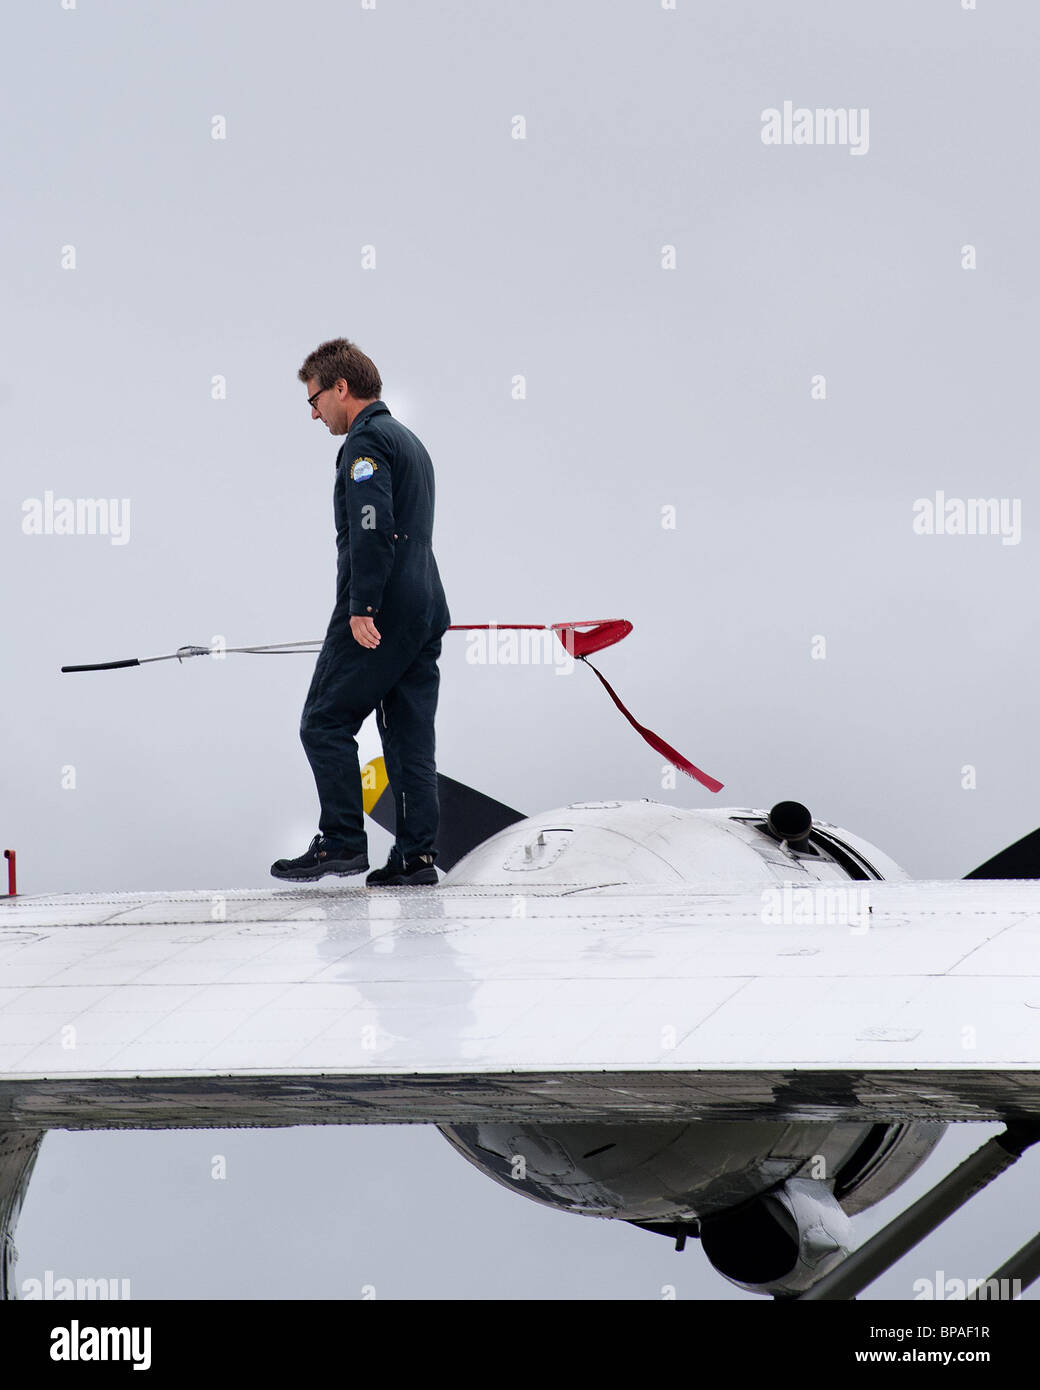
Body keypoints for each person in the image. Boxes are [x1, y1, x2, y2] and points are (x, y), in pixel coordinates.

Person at [271, 338, 450, 887]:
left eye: (314, 399)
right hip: (425, 604)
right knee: (407, 733)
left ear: (341, 388)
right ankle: (415, 857)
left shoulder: (366, 443)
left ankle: (343, 841)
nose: (313, 412)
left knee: (324, 720)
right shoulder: (409, 440)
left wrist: (362, 606)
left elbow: (372, 525)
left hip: (382, 604)